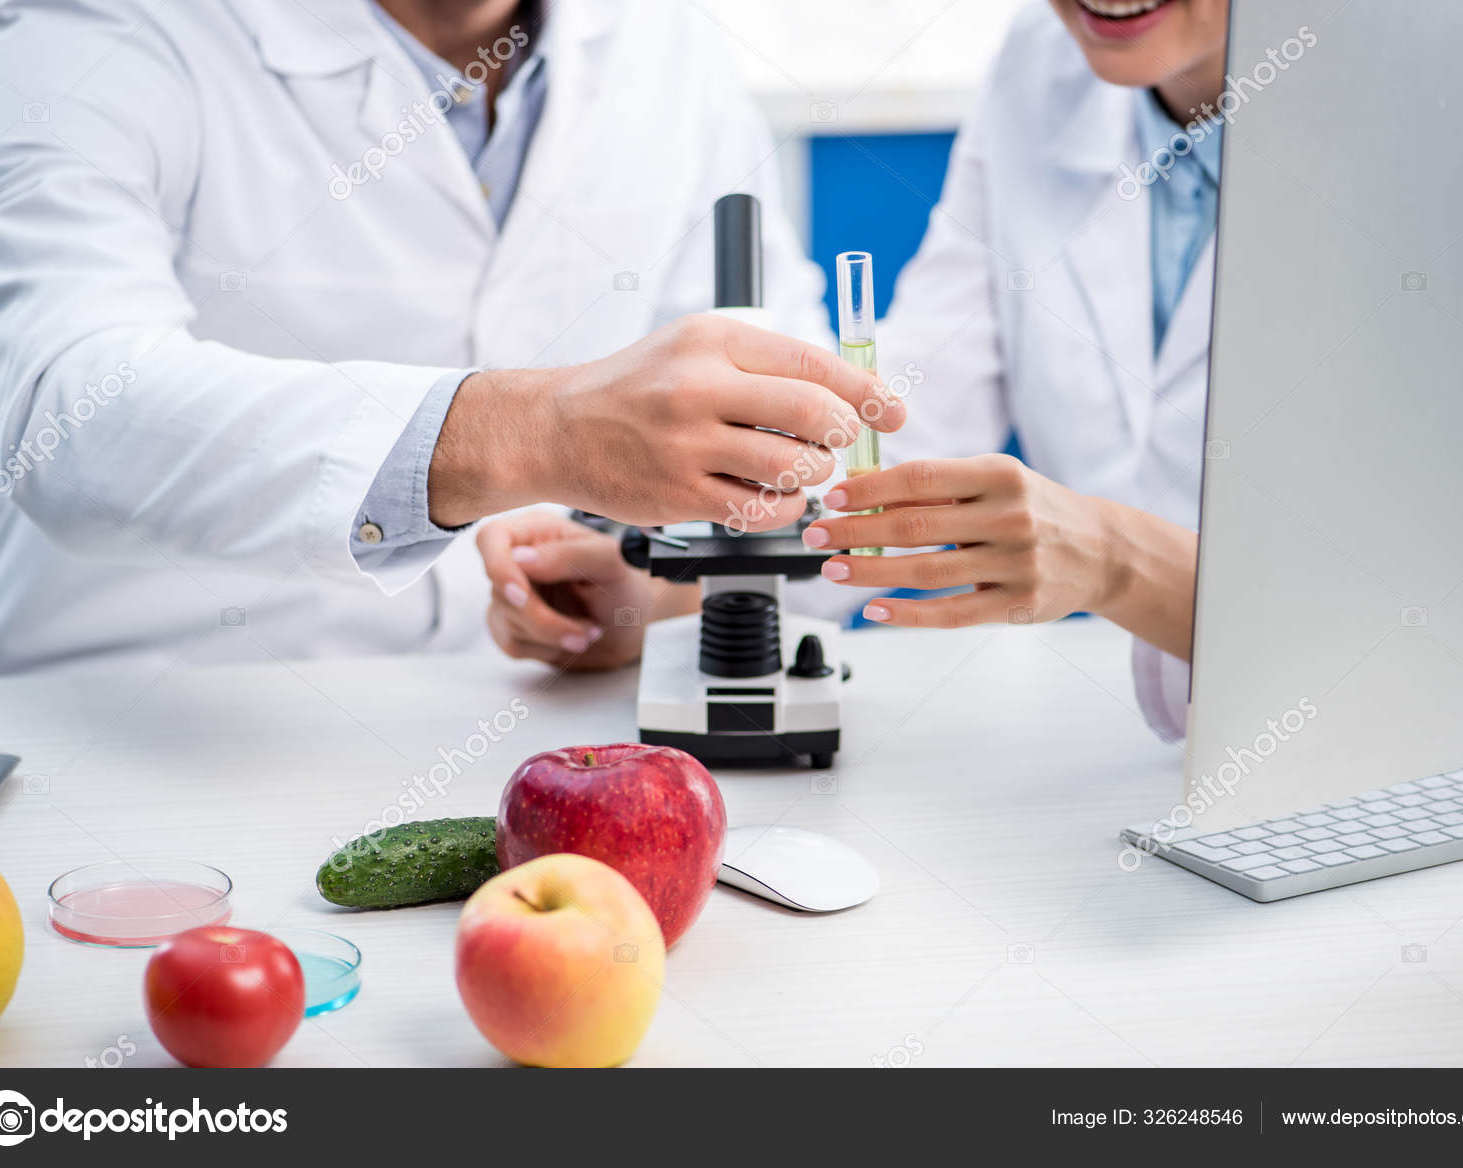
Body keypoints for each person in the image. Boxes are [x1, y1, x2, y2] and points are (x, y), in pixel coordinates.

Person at [0, 0, 901, 677]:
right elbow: (65, 414)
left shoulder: (666, 40)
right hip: (111, 723)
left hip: (500, 715)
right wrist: (532, 433)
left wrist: (657, 592)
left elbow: (778, 402)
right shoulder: (91, 30)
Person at [482, 0, 1235, 740]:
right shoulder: (1042, 62)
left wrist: (1122, 562)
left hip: (1322, 775)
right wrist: (669, 597)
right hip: (1098, 756)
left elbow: (1352, 631)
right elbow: (894, 440)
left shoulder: (1355, 123)